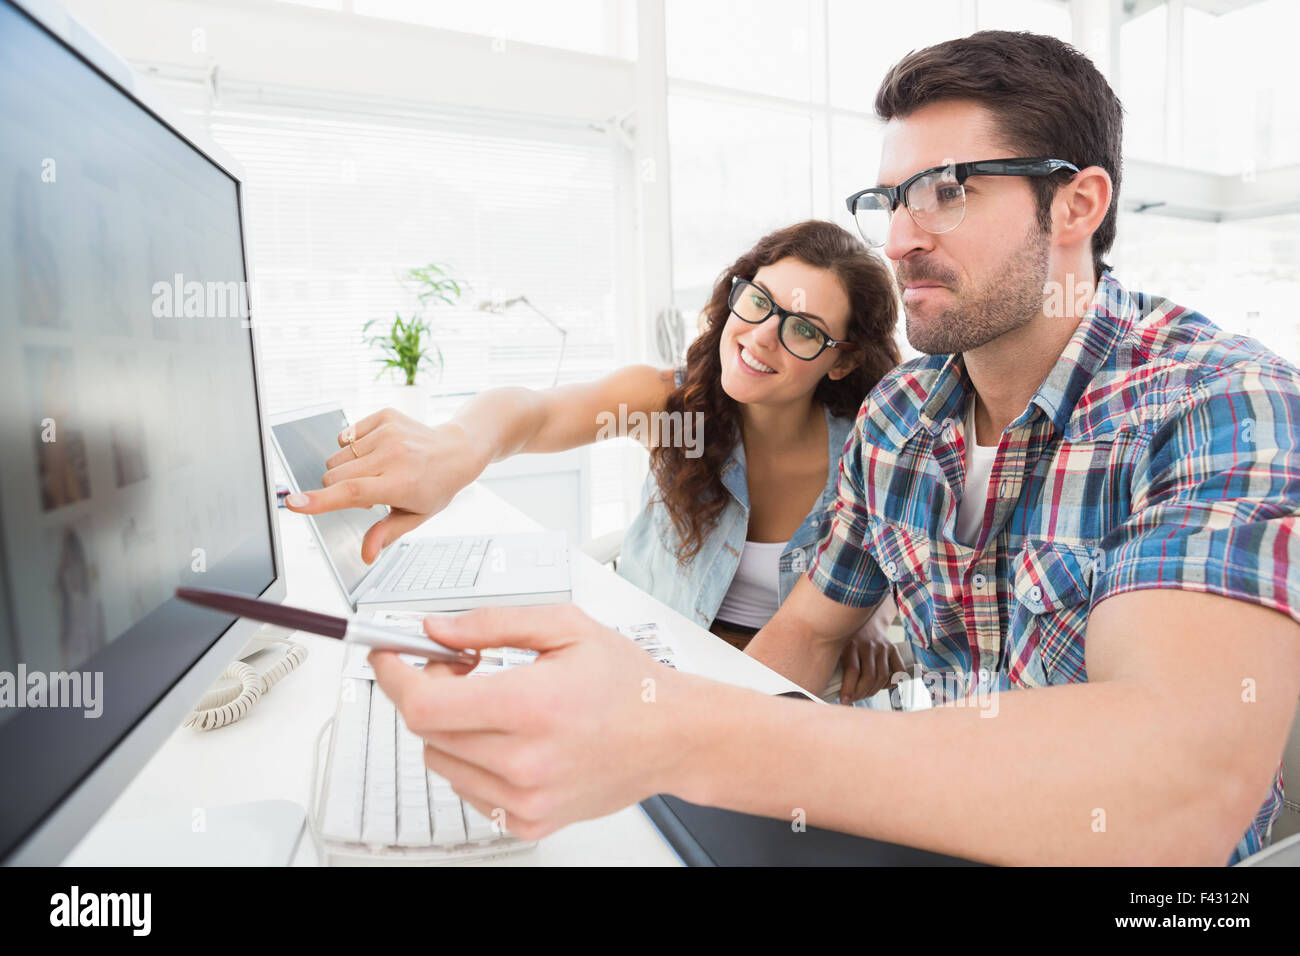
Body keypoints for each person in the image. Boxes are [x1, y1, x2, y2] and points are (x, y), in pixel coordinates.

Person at [314, 31, 1300, 865]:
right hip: (926, 821)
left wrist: (676, 731)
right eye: (890, 200)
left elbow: (1182, 785)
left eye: (947, 190)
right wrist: (658, 747)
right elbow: (806, 636)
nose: (902, 237)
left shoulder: (1213, 396)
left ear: (1078, 205)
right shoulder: (902, 416)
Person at [287, 220, 904, 704]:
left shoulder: (869, 449)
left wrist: (868, 613)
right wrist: (460, 447)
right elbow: (535, 412)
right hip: (646, 674)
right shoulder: (671, 407)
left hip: (799, 695)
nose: (762, 335)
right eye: (759, 302)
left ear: (842, 360)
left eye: (803, 330)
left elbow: (890, 565)